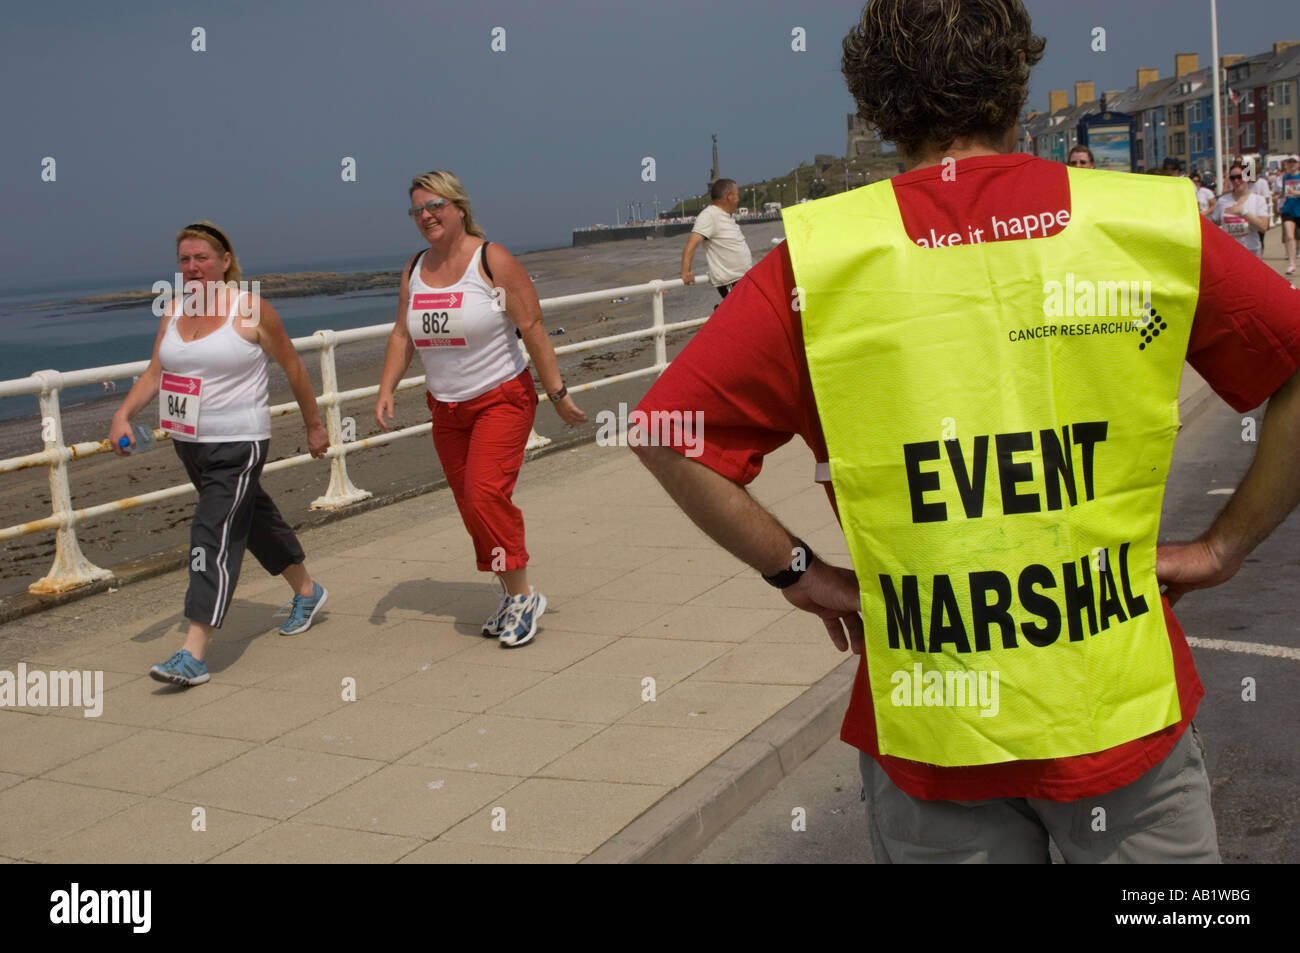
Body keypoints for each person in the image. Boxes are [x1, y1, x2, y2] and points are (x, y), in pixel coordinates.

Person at [631, 0, 1300, 863]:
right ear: (1017, 84)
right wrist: (1222, 549)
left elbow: (664, 431)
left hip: (933, 728)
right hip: (1121, 712)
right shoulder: (1142, 222)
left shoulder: (820, 261)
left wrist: (796, 571)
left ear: (877, 109)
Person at [109, 222, 331, 687]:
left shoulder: (250, 311)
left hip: (239, 443)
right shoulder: (172, 310)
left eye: (201, 259)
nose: (192, 268)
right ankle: (307, 592)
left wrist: (315, 426)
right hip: (190, 442)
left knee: (211, 532)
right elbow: (155, 372)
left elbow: (293, 367)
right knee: (251, 520)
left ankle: (193, 652)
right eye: (184, 260)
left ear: (225, 261)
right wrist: (123, 414)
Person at [374, 171, 586, 648]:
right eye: (417, 210)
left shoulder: (492, 260)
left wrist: (557, 394)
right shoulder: (414, 268)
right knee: (471, 503)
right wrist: (387, 388)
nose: (425, 216)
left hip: (501, 398)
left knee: (486, 493)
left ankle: (523, 596)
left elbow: (531, 325)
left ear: (459, 207)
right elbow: (402, 334)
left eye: (434, 206)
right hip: (446, 409)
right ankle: (510, 594)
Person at [681, 178, 754, 300]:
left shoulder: (725, 216)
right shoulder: (709, 215)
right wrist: (685, 271)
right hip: (731, 283)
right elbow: (691, 244)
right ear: (729, 196)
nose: (738, 199)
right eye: (737, 195)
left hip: (745, 279)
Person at [1211, 163, 1271, 257]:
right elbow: (1213, 224)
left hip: (1251, 251)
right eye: (1232, 178)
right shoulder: (1222, 200)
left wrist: (1243, 212)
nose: (1236, 181)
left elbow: (1263, 227)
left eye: (1240, 177)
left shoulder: (1258, 199)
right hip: (1228, 252)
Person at [1277, 154, 1300, 275]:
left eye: (1294, 162)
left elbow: (1293, 191)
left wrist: (1295, 192)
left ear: (1298, 164)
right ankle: (1291, 263)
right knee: (1290, 236)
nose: (1291, 164)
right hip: (1288, 210)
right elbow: (1284, 192)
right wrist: (1278, 197)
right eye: (1289, 162)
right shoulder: (1285, 177)